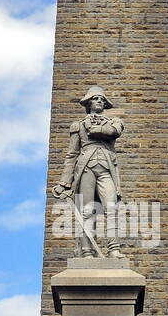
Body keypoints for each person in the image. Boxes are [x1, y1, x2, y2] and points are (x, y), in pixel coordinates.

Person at [52, 85, 124, 257]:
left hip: (106, 168)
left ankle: (114, 249)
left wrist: (98, 130)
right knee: (87, 211)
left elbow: (114, 132)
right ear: (88, 103)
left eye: (102, 99)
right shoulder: (78, 125)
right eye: (95, 98)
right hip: (85, 169)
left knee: (112, 208)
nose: (99, 101)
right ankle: (87, 251)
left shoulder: (114, 122)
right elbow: (72, 155)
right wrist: (64, 182)